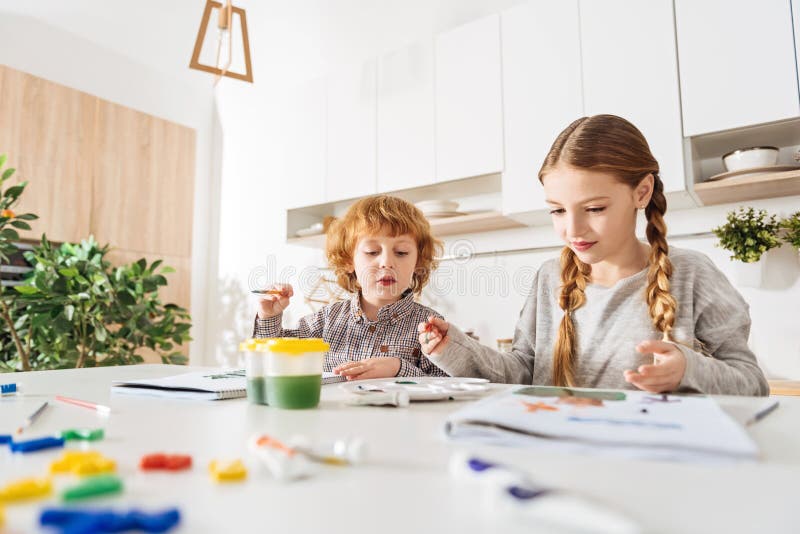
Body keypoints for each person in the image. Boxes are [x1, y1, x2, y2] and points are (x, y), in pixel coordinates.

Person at [418, 114, 768, 396]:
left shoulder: (690, 273)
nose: (573, 230)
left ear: (642, 192)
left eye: (595, 208)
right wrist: (456, 349)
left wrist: (690, 369)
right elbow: (523, 371)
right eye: (557, 211)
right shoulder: (549, 277)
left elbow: (752, 383)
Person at [254, 195, 447, 380]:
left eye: (401, 252)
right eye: (372, 252)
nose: (387, 262)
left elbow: (447, 387)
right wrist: (269, 317)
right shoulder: (327, 320)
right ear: (348, 261)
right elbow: (273, 359)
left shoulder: (428, 326)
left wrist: (398, 368)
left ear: (418, 262)